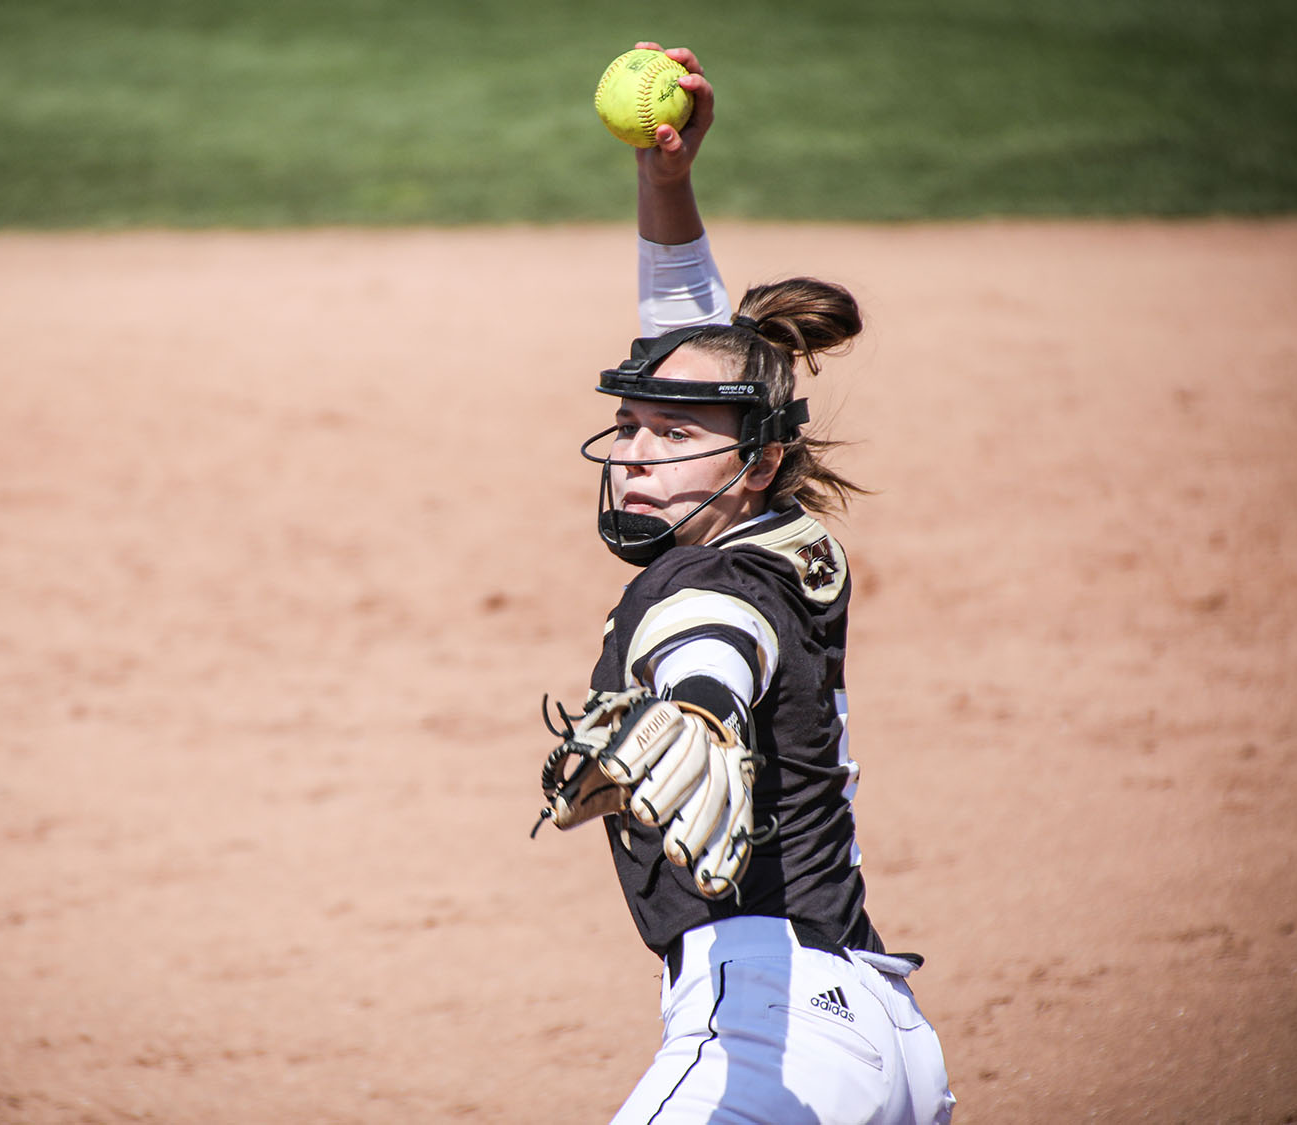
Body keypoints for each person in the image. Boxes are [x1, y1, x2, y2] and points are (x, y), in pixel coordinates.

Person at [546, 43, 955, 1125]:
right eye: (627, 425)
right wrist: (664, 181)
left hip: (764, 1037)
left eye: (667, 435)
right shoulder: (784, 526)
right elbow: (692, 347)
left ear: (754, 459)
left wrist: (698, 709)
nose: (634, 453)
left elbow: (715, 637)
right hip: (877, 1022)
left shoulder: (706, 580)